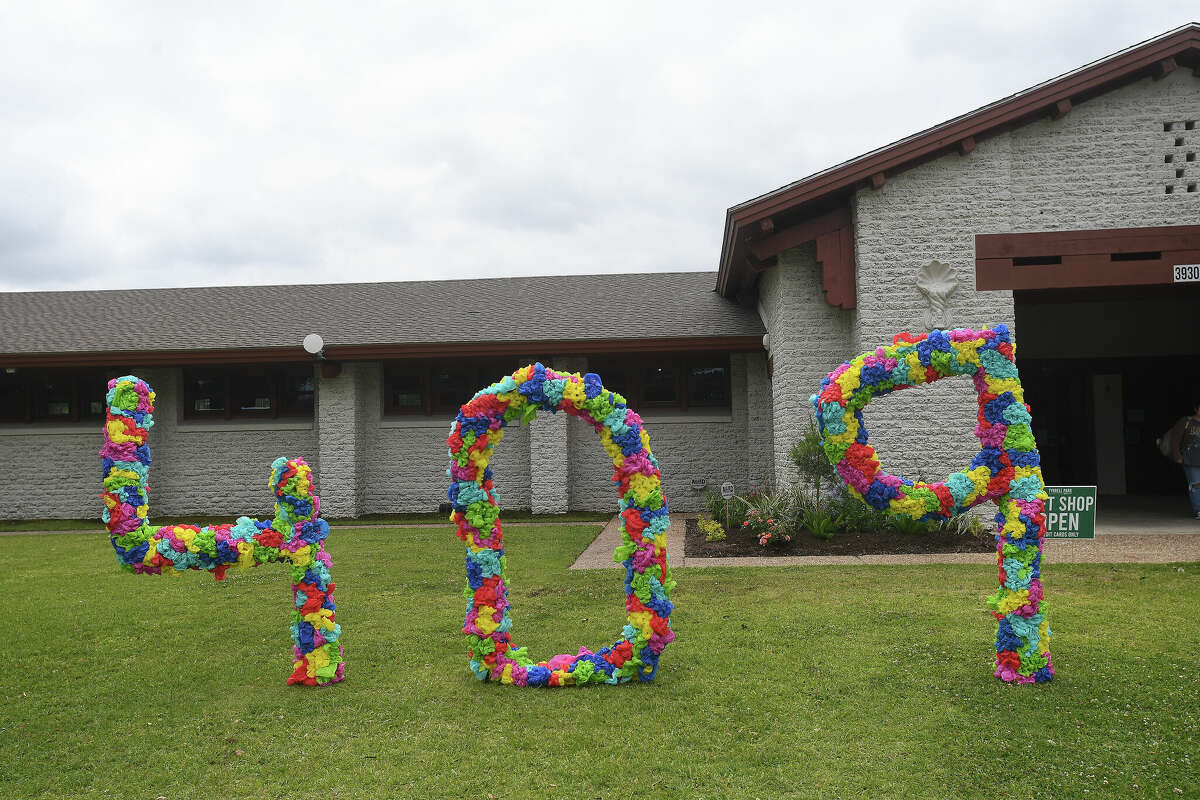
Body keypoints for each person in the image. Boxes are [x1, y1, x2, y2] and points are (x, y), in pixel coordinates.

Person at [1169, 402, 1200, 520]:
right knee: (1196, 485)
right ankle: (1198, 510)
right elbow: (1175, 439)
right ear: (1196, 409)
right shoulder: (1186, 421)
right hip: (1190, 459)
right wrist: (1177, 455)